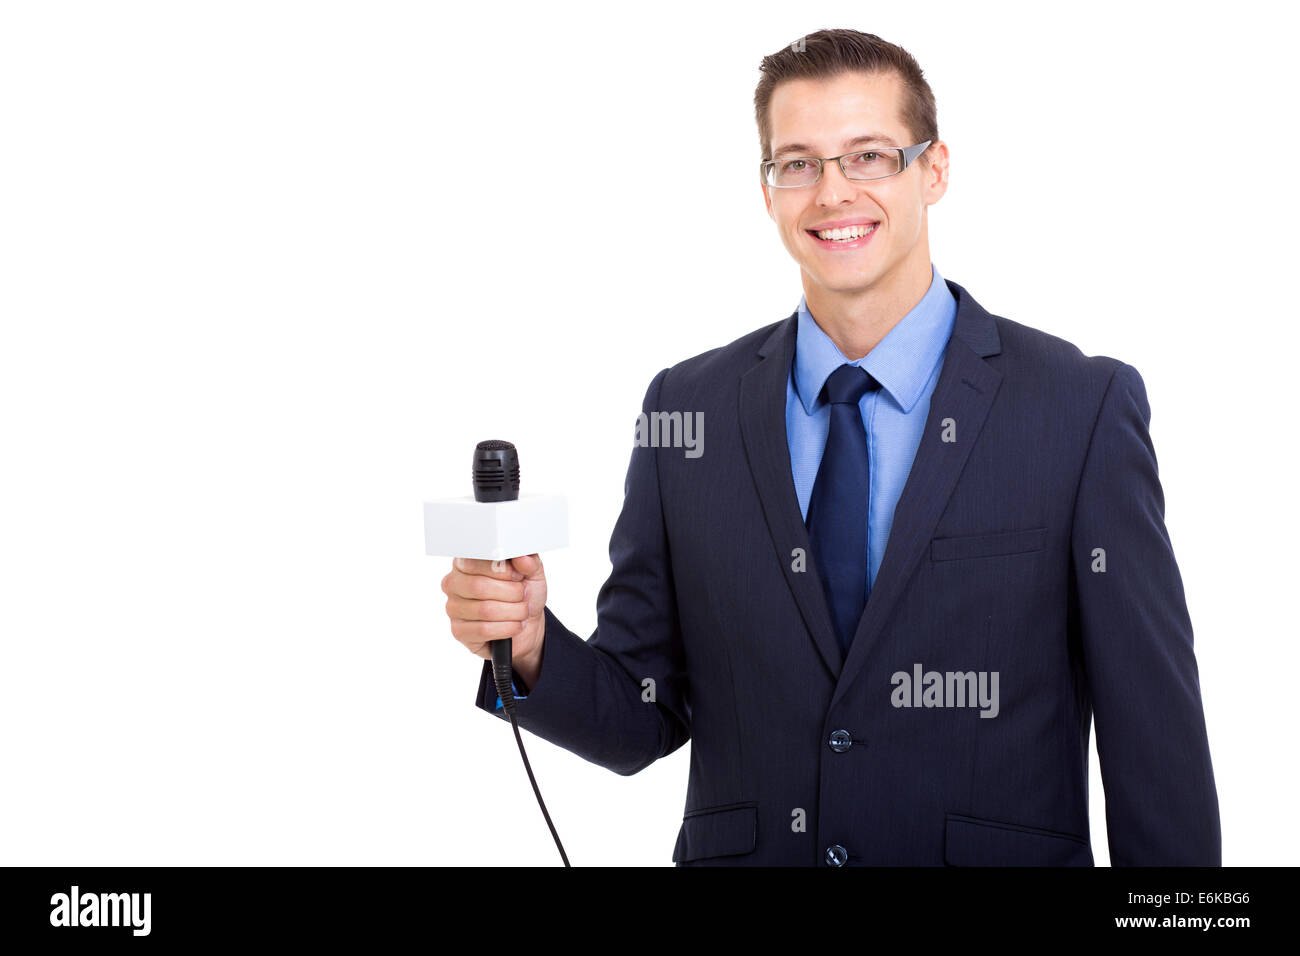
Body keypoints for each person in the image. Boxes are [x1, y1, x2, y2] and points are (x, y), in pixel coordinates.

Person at [440, 28, 1220, 866]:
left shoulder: (1077, 406)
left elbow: (1153, 738)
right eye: (798, 163)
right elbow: (643, 716)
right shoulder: (686, 411)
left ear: (934, 170)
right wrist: (528, 646)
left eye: (870, 157)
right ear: (768, 189)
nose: (832, 193)